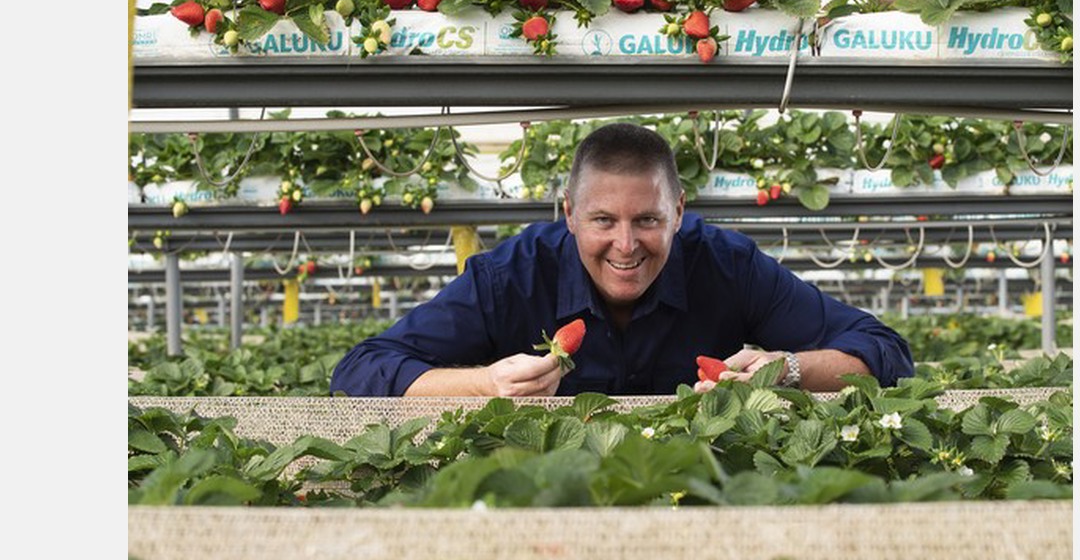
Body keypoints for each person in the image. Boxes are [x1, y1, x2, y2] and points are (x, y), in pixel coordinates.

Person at [329, 122, 913, 397]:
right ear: (569, 213)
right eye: (603, 221)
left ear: (679, 211)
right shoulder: (511, 277)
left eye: (649, 220)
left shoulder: (728, 267)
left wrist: (786, 370)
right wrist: (484, 383)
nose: (627, 245)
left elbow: (886, 352)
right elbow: (360, 371)